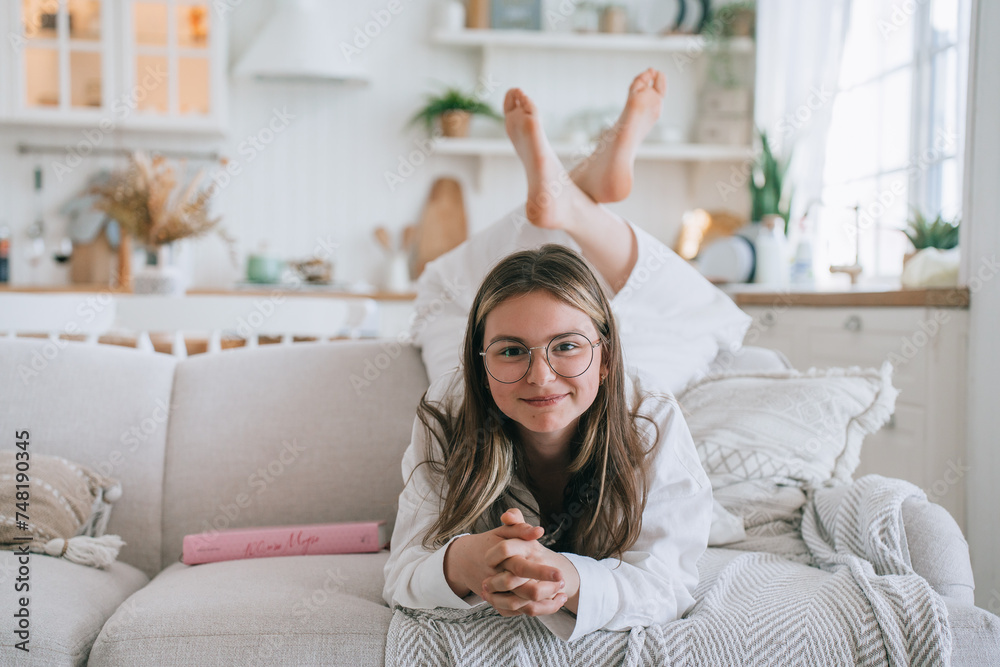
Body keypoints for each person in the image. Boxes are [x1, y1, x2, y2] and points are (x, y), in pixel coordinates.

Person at [382, 69, 748, 643]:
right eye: (509, 351)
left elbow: (670, 580)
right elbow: (403, 569)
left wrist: (573, 579)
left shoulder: (649, 413)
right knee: (449, 294)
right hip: (522, 363)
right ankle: (574, 202)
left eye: (567, 348)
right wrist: (464, 563)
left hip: (619, 371)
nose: (540, 377)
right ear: (478, 362)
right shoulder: (450, 405)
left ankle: (570, 198)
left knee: (441, 288)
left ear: (605, 359)